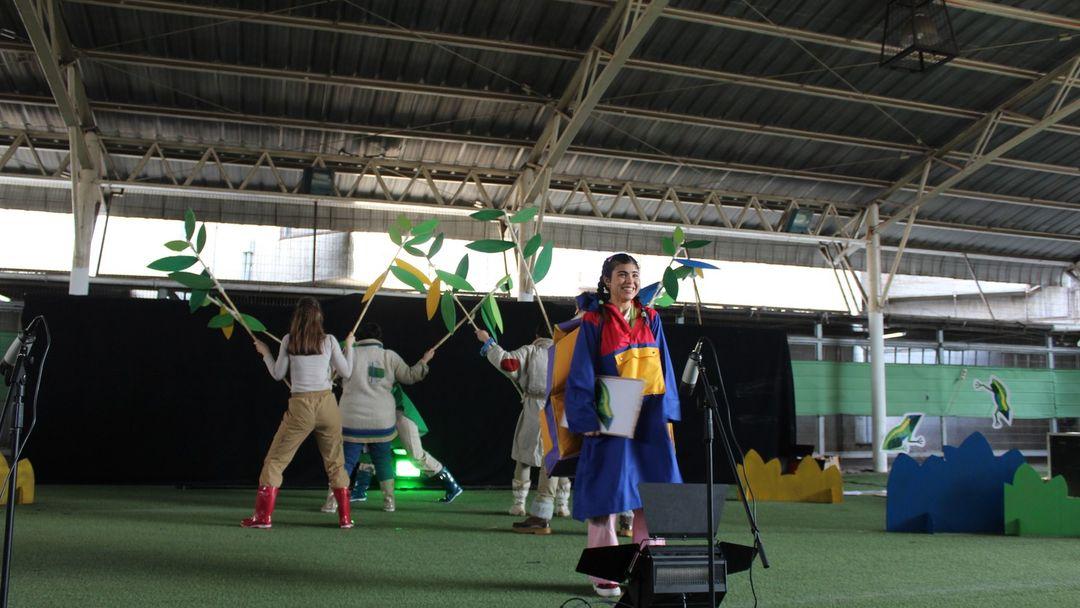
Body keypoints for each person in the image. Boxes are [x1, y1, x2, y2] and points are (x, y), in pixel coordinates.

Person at [564, 253, 682, 598]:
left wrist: (668, 414)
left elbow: (664, 364)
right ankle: (605, 573)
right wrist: (586, 416)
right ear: (606, 281)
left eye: (634, 274)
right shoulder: (593, 319)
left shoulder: (651, 317)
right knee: (606, 493)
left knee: (652, 493)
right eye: (621, 275)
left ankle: (649, 569)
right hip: (611, 407)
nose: (629, 281)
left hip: (648, 411)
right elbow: (582, 368)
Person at [245, 297, 355, 529]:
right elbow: (346, 372)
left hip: (301, 407)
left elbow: (277, 374)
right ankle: (345, 518)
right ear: (319, 317)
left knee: (275, 461)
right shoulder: (330, 341)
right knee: (336, 462)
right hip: (327, 404)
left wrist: (265, 352)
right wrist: (350, 346)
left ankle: (263, 518)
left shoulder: (289, 341)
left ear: (297, 317)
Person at [320, 322, 435, 514]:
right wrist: (424, 360)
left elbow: (330, 376)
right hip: (382, 422)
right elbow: (410, 376)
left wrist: (345, 346)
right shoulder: (389, 356)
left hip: (351, 421)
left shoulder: (348, 354)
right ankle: (389, 502)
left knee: (345, 462)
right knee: (382, 460)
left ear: (359, 337)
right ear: (379, 338)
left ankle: (332, 502)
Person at [475, 326, 571, 534]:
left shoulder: (531, 350)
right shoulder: (566, 351)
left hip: (535, 408)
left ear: (536, 335)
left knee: (525, 455)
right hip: (560, 409)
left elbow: (508, 364)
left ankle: (519, 504)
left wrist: (488, 342)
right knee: (556, 458)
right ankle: (562, 505)